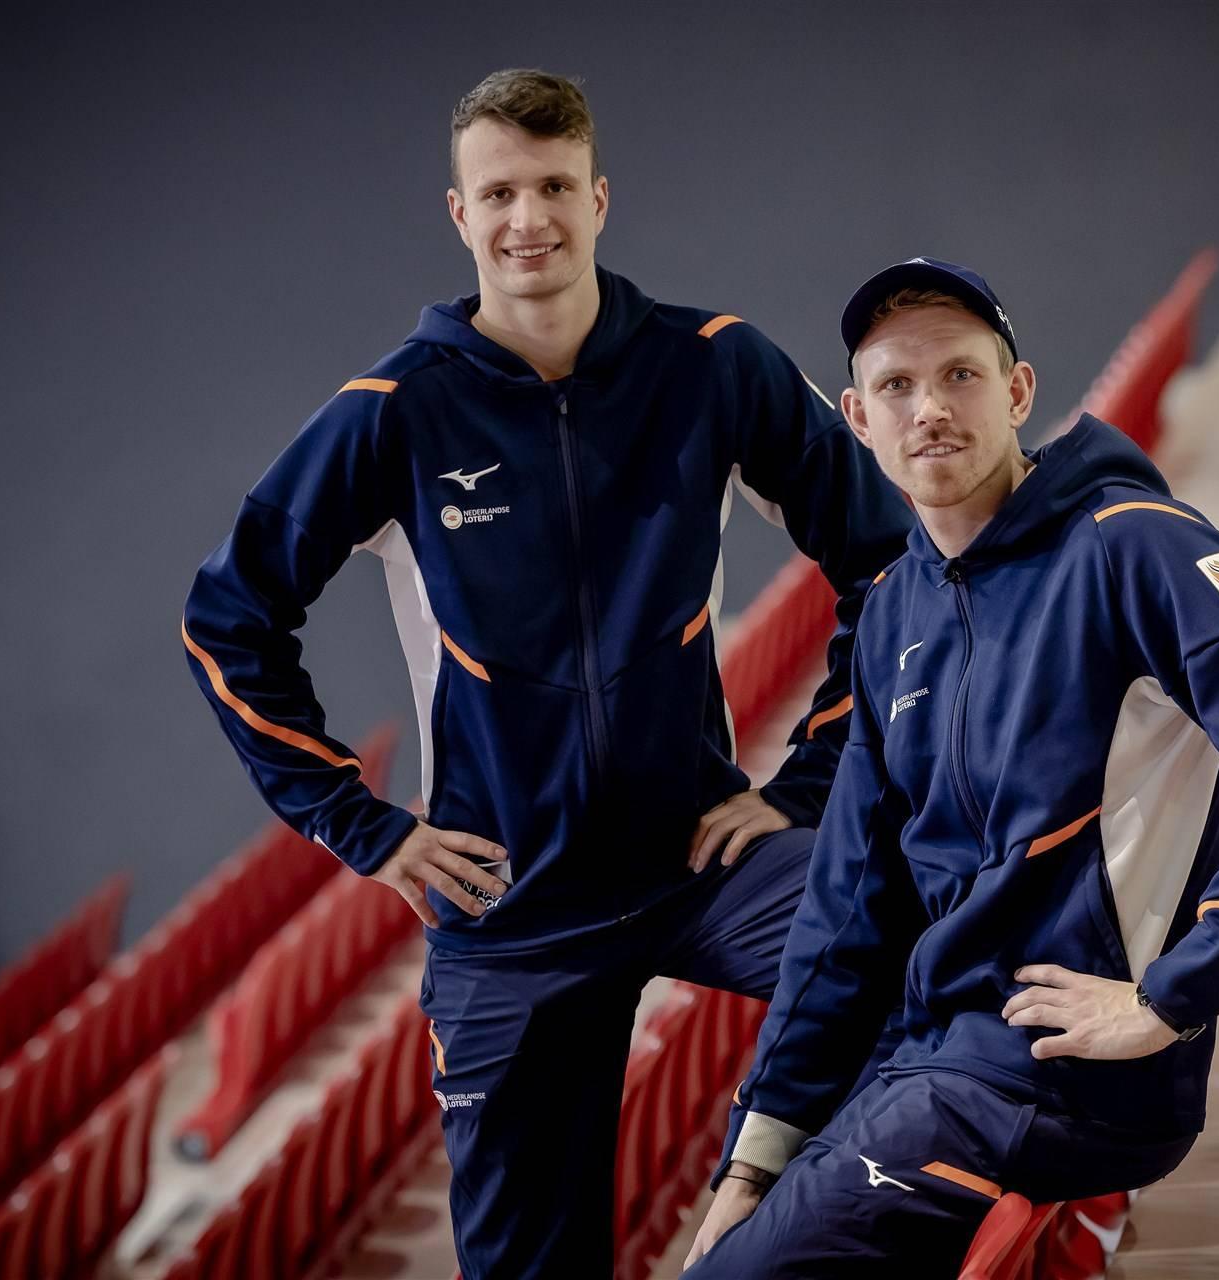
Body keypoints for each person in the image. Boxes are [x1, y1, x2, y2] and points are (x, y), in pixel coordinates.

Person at [181, 70, 911, 1277]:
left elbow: (889, 568)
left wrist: (807, 781)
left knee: (909, 941)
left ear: (601, 197)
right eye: (502, 191)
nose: (533, 218)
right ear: (460, 215)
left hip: (694, 861)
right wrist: (363, 827)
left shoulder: (709, 364)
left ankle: (763, 1220)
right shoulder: (395, 413)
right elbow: (227, 616)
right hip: (507, 909)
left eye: (556, 186)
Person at [684, 259, 1219, 1275]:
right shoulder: (894, 612)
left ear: (1017, 392)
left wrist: (1167, 996)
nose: (930, 409)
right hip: (937, 1057)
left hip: (1061, 1078)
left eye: (961, 376)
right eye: (897, 386)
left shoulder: (1132, 549)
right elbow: (845, 911)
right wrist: (751, 1162)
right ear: (857, 417)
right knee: (726, 1243)